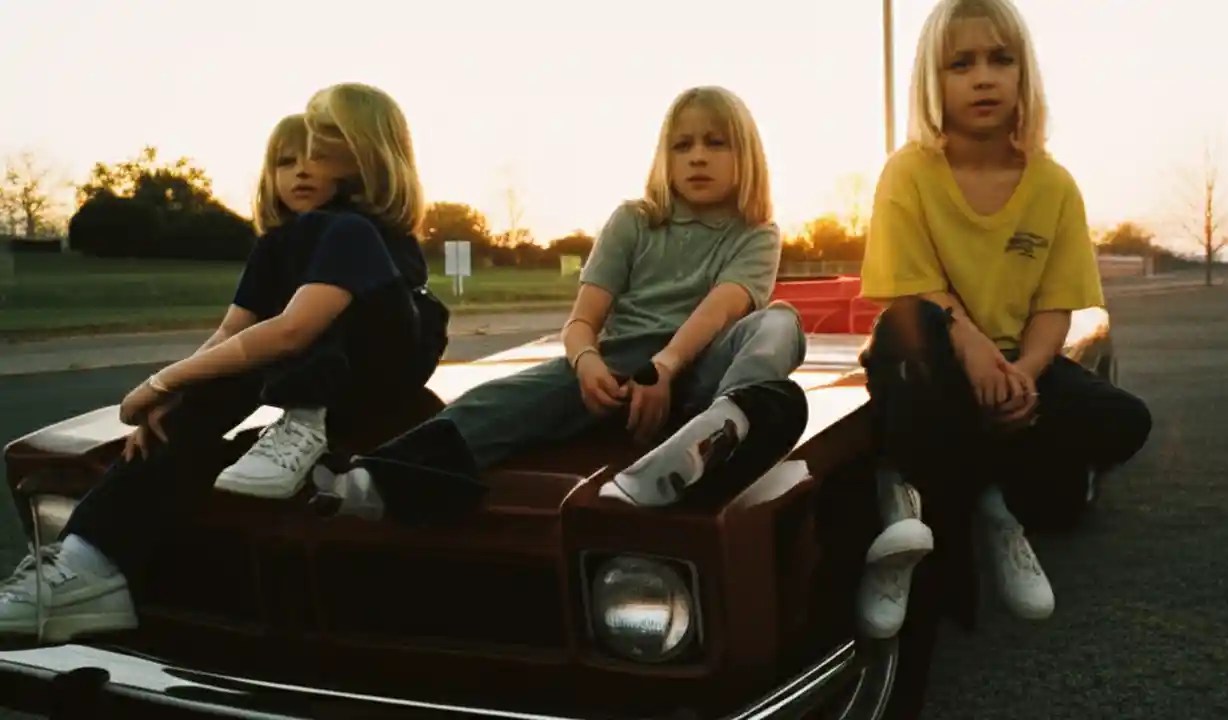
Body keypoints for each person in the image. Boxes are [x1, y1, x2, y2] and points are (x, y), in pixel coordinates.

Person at [0, 84, 450, 642]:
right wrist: (173, 396)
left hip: (380, 375)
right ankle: (89, 567)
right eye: (288, 159)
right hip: (307, 359)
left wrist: (157, 380)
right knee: (181, 409)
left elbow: (293, 330)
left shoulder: (357, 232)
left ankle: (308, 423)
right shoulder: (280, 245)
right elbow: (232, 333)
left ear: (365, 153)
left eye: (318, 150)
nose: (302, 169)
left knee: (282, 333)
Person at [311, 85, 810, 524]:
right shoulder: (635, 221)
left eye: (715, 142)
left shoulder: (757, 233)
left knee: (779, 324)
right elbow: (582, 321)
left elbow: (722, 309)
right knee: (498, 400)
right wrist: (586, 360)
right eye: (683, 145)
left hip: (701, 375)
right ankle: (376, 482)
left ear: (747, 155)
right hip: (615, 370)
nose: (697, 156)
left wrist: (666, 367)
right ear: (665, 158)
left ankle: (717, 434)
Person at [852, 0, 1152, 640]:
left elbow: (1056, 306)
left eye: (1000, 59)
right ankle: (901, 516)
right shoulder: (908, 171)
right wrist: (973, 349)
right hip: (926, 350)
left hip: (1015, 357)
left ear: (1024, 74)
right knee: (916, 338)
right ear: (934, 80)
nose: (983, 77)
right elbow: (907, 292)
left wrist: (1024, 373)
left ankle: (996, 503)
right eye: (961, 63)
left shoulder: (1054, 185)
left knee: (1125, 419)